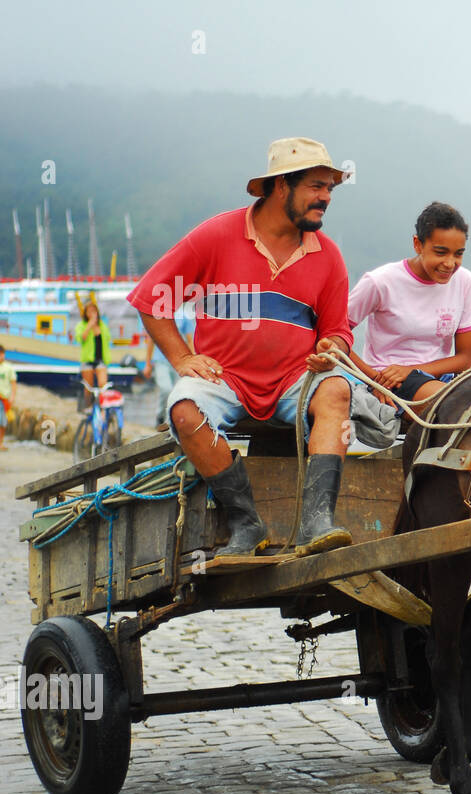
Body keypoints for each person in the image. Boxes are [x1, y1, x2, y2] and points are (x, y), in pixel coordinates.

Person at [127, 137, 355, 558]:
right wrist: (182, 358)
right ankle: (247, 525)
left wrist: (331, 348)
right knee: (184, 410)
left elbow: (338, 329)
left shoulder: (329, 256)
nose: (325, 197)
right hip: (224, 378)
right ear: (281, 186)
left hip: (293, 379)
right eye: (316, 186)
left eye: (330, 189)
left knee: (338, 389)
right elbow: (151, 299)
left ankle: (316, 522)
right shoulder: (216, 235)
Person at [346, 202, 471, 414]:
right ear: (418, 244)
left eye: (458, 254)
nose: (450, 263)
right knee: (450, 407)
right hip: (391, 382)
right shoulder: (380, 282)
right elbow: (334, 336)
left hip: (437, 378)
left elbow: (466, 358)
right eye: (441, 252)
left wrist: (413, 370)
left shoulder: (465, 281)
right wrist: (373, 380)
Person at [143, 300, 196, 431]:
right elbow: (151, 341)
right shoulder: (159, 315)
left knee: (177, 391)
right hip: (161, 360)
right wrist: (148, 364)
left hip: (179, 361)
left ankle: (169, 422)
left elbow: (190, 340)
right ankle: (160, 416)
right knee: (165, 388)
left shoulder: (183, 316)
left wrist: (194, 359)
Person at [75, 300, 112, 410]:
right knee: (88, 387)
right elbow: (81, 338)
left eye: (94, 311)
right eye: (89, 311)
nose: (92, 313)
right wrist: (90, 325)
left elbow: (108, 338)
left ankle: (102, 408)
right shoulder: (81, 325)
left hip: (100, 359)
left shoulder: (102, 325)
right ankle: (88, 407)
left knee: (103, 384)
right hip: (87, 360)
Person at [0, 345, 17, 450]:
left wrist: (12, 397)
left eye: (1, 354)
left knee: (3, 422)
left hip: (4, 399)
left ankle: (0, 443)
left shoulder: (9, 368)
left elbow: (13, 383)